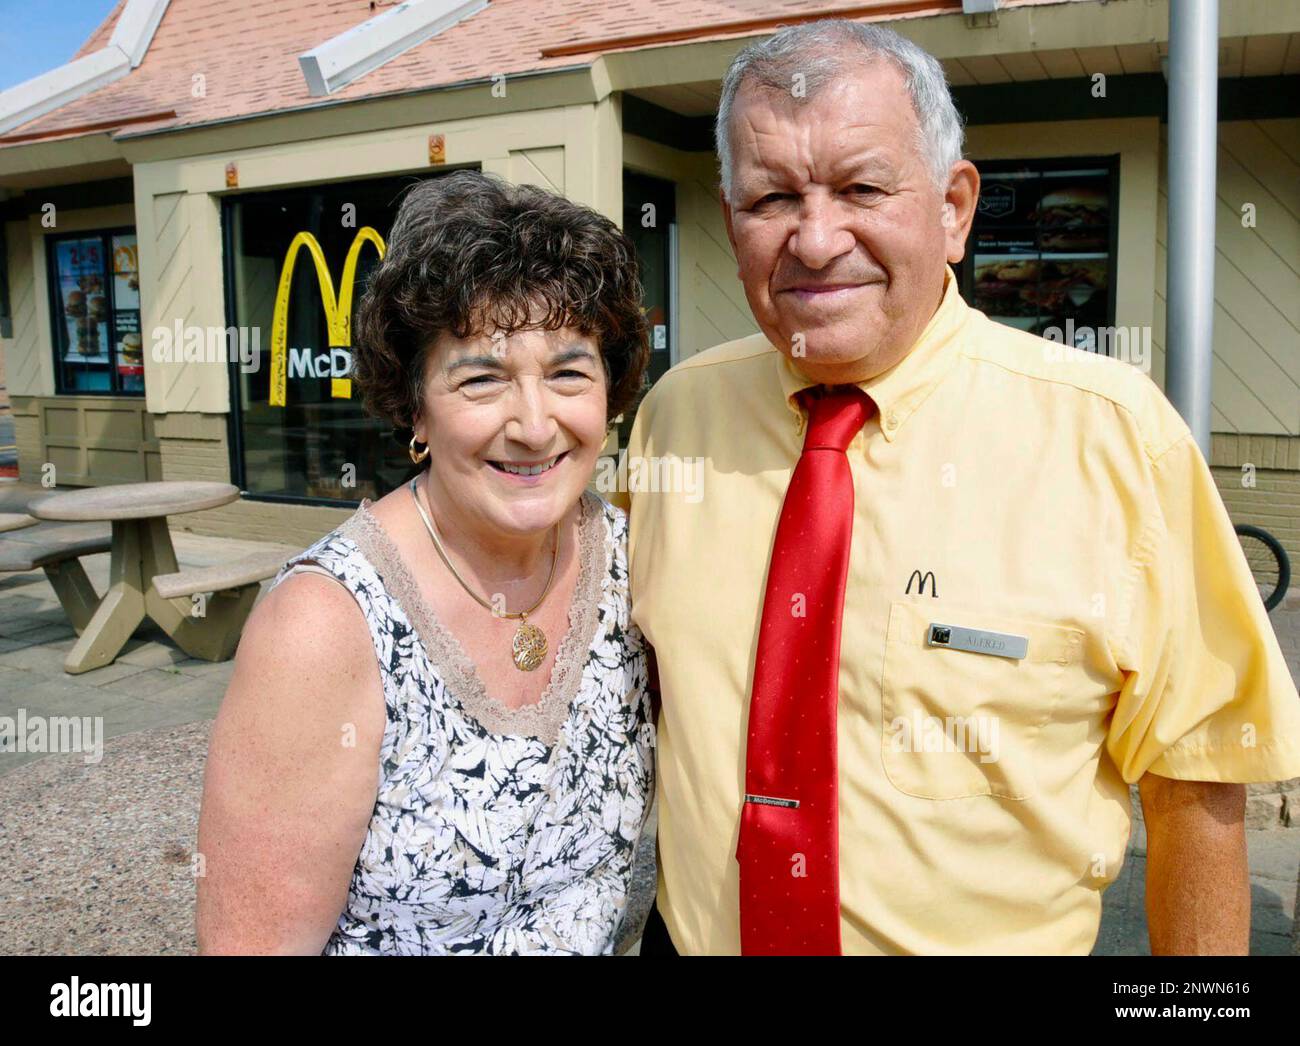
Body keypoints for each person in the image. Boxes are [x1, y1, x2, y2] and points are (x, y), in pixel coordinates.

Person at [626, 19, 1300, 956]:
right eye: (771, 198)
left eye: (862, 188)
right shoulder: (674, 422)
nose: (816, 241)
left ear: (953, 207)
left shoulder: (1113, 436)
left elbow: (1197, 778)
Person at [196, 171, 655, 955]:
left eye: (569, 373)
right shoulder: (325, 625)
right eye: (482, 378)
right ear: (414, 407)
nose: (535, 425)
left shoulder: (630, 561)